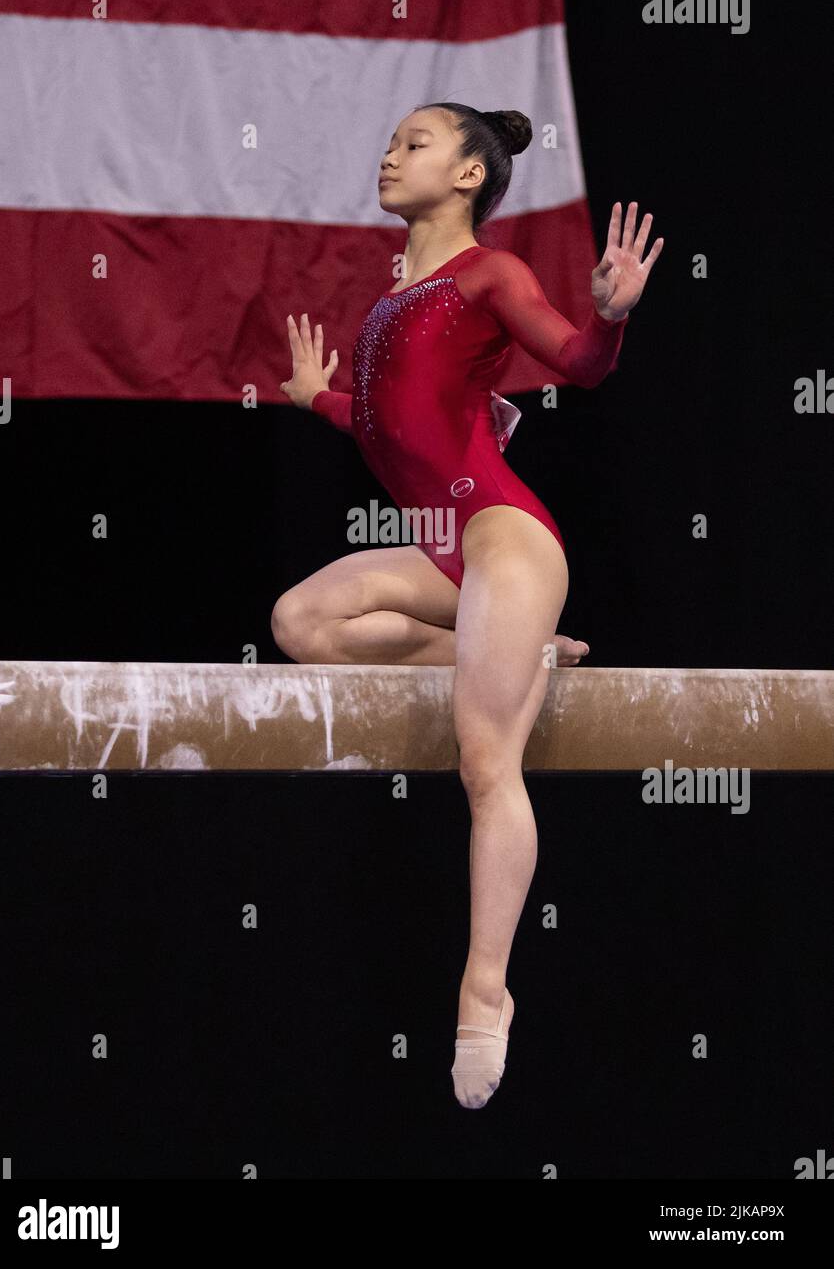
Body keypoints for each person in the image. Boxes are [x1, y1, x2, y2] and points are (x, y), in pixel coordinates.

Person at [274, 101, 663, 1107]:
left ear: (466, 177)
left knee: (483, 760)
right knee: (300, 624)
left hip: (502, 537)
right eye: (389, 139)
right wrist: (317, 397)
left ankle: (483, 988)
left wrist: (610, 316)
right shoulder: (386, 302)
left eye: (414, 142)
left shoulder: (487, 275)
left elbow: (573, 363)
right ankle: (509, 659)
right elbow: (391, 423)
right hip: (444, 554)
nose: (388, 152)